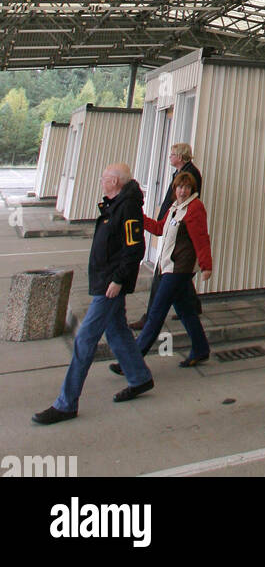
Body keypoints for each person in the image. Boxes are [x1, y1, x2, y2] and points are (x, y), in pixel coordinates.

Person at [33, 163, 154, 423]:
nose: (101, 181)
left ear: (115, 182)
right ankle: (140, 377)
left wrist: (119, 280)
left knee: (85, 339)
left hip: (111, 285)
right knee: (117, 330)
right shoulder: (115, 204)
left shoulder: (128, 207)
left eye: (104, 178)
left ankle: (66, 403)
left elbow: (134, 249)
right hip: (104, 280)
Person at [111, 169, 213, 373]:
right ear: (174, 189)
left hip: (178, 269)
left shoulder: (194, 208)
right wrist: (139, 218)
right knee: (185, 311)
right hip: (166, 266)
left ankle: (132, 361)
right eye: (179, 187)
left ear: (192, 189)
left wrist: (206, 265)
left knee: (156, 313)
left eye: (186, 187)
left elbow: (201, 238)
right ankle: (201, 348)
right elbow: (159, 228)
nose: (182, 191)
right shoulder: (175, 207)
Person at [130, 141, 202, 331]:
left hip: (177, 229)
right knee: (179, 277)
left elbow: (188, 204)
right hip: (172, 225)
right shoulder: (178, 174)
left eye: (172, 154)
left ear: (180, 155)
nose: (169, 157)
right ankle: (193, 307)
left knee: (164, 273)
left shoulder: (190, 175)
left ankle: (150, 318)